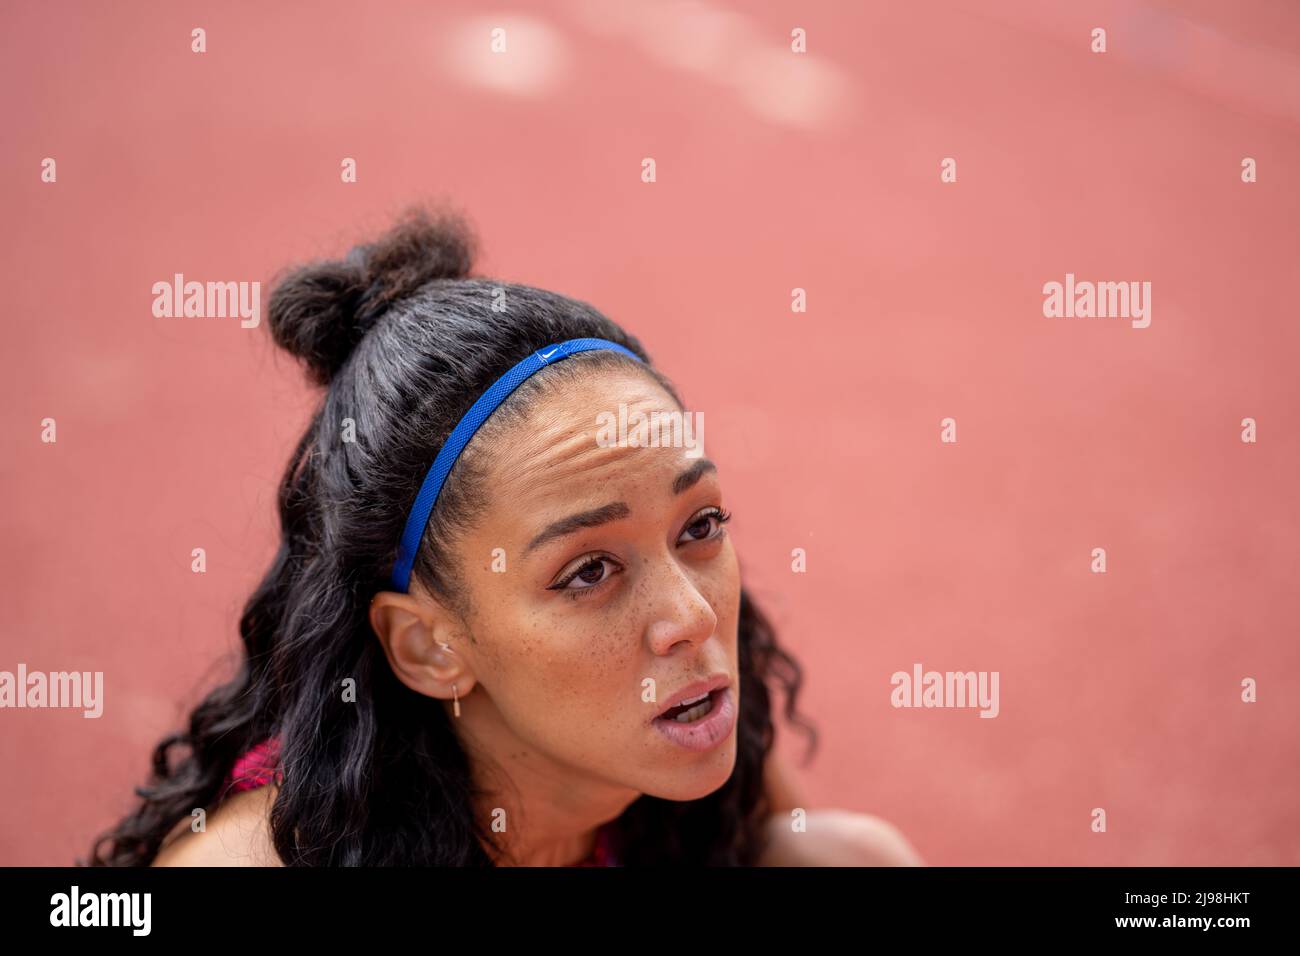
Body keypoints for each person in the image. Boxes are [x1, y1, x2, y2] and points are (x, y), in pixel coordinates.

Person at [86, 205, 922, 867]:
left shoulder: (695, 727)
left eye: (698, 525)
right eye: (589, 571)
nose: (692, 616)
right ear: (427, 646)